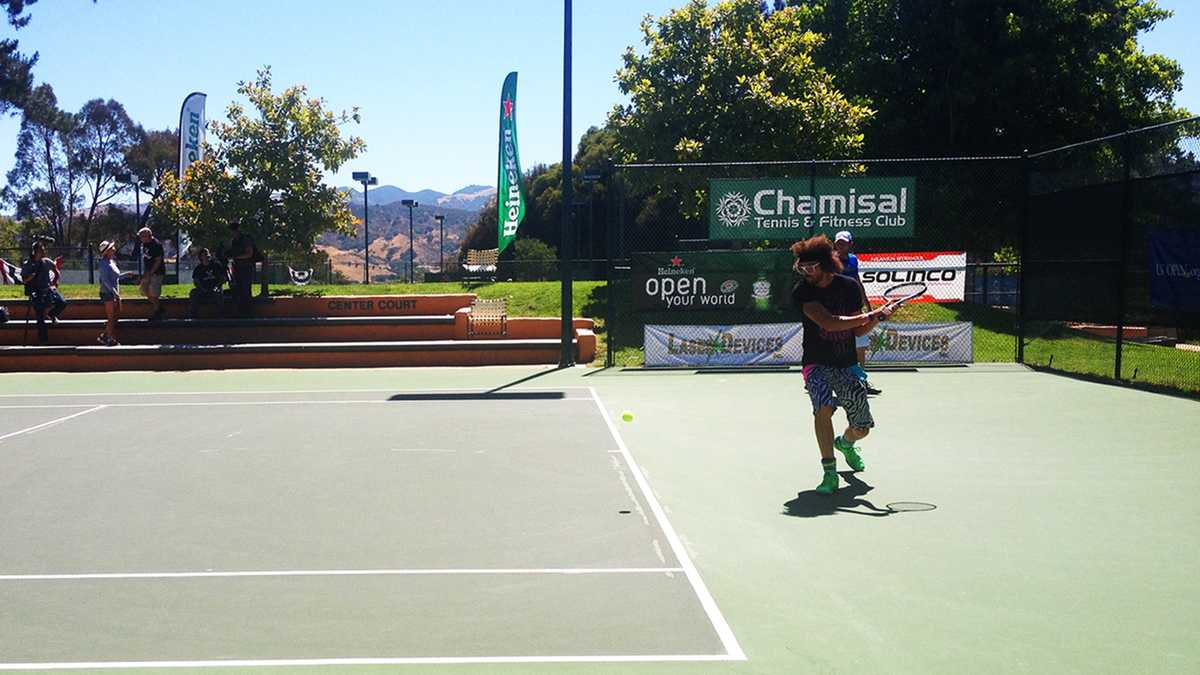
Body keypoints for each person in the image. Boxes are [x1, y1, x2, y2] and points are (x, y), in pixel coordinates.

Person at [791, 235, 894, 495]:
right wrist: (869, 314)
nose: (806, 272)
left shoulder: (849, 287)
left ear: (825, 264)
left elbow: (859, 330)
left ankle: (846, 443)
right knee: (823, 408)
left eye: (811, 267)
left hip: (846, 363)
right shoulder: (803, 291)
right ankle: (829, 471)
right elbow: (829, 322)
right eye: (801, 268)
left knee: (862, 428)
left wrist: (878, 318)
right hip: (815, 362)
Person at [834, 230, 882, 395]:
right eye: (838, 243)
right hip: (838, 313)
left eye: (844, 243)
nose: (841, 245)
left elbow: (857, 282)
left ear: (850, 244)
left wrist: (868, 305)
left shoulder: (854, 260)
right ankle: (832, 381)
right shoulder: (831, 262)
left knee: (860, 347)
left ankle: (862, 382)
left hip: (856, 311)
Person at [20, 237, 68, 344]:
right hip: (36, 291)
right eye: (41, 249)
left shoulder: (46, 262)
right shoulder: (28, 264)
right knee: (40, 317)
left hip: (48, 289)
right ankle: (43, 341)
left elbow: (56, 271)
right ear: (36, 251)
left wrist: (55, 282)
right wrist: (30, 277)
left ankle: (51, 314)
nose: (44, 251)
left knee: (62, 303)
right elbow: (24, 280)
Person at [96, 239, 133, 346]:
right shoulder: (103, 263)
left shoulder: (111, 262)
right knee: (111, 317)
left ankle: (105, 335)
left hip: (113, 292)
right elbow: (105, 280)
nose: (114, 249)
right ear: (106, 251)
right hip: (108, 293)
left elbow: (115, 277)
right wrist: (114, 293)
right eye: (111, 248)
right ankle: (108, 338)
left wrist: (126, 275)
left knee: (115, 316)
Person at [137, 227, 167, 320]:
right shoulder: (145, 245)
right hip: (148, 271)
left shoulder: (156, 245)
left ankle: (157, 312)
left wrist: (151, 272)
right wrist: (145, 274)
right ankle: (159, 308)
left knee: (153, 293)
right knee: (144, 290)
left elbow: (158, 261)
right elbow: (147, 260)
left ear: (148, 236)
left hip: (157, 272)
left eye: (142, 237)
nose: (141, 239)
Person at [189, 247, 228, 318]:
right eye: (204, 255)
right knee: (193, 293)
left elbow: (223, 278)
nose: (207, 256)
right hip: (203, 289)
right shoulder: (198, 269)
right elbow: (196, 281)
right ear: (201, 257)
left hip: (215, 288)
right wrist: (202, 289)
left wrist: (217, 287)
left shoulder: (216, 265)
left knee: (219, 294)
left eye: (207, 254)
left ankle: (221, 316)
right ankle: (193, 316)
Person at [228, 221, 256, 316]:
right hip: (237, 267)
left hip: (246, 267)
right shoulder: (233, 241)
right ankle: (240, 312)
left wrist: (236, 257)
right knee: (237, 290)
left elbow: (249, 254)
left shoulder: (245, 239)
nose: (233, 233)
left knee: (246, 290)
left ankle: (248, 312)